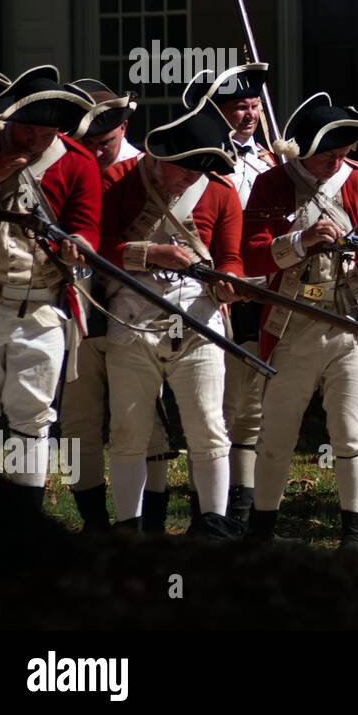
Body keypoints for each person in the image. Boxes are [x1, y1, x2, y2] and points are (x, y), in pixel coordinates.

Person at [242, 93, 358, 549]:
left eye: (343, 154)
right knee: (276, 434)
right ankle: (261, 529)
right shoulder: (271, 183)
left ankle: (355, 534)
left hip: (347, 319)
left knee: (351, 433)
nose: (337, 162)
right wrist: (302, 241)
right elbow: (252, 254)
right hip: (293, 320)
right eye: (330, 154)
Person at [98, 96, 243, 537]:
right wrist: (149, 253)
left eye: (197, 172)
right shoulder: (118, 180)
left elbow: (232, 257)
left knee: (208, 427)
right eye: (183, 169)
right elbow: (95, 249)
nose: (189, 179)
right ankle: (129, 527)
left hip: (197, 317)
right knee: (128, 430)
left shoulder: (219, 191)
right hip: (132, 316)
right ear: (160, 159)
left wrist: (228, 282)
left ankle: (212, 526)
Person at [0, 66, 99, 520]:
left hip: (43, 303)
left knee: (32, 414)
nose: (33, 139)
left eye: (44, 131)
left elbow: (87, 227)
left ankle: (26, 517)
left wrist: (78, 248)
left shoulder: (79, 161)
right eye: (26, 128)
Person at [59, 83, 173, 533]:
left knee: (148, 420)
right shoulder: (67, 165)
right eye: (86, 140)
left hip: (140, 309)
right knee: (78, 418)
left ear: (123, 127)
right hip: (81, 306)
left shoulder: (150, 169)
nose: (93, 150)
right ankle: (93, 522)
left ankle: (152, 523)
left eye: (102, 141)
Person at [184, 63, 278, 527]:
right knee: (212, 403)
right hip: (210, 288)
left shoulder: (269, 160)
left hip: (257, 291)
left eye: (255, 105)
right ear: (217, 111)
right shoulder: (197, 160)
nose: (250, 113)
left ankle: (242, 505)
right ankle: (209, 508)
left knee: (252, 400)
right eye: (239, 106)